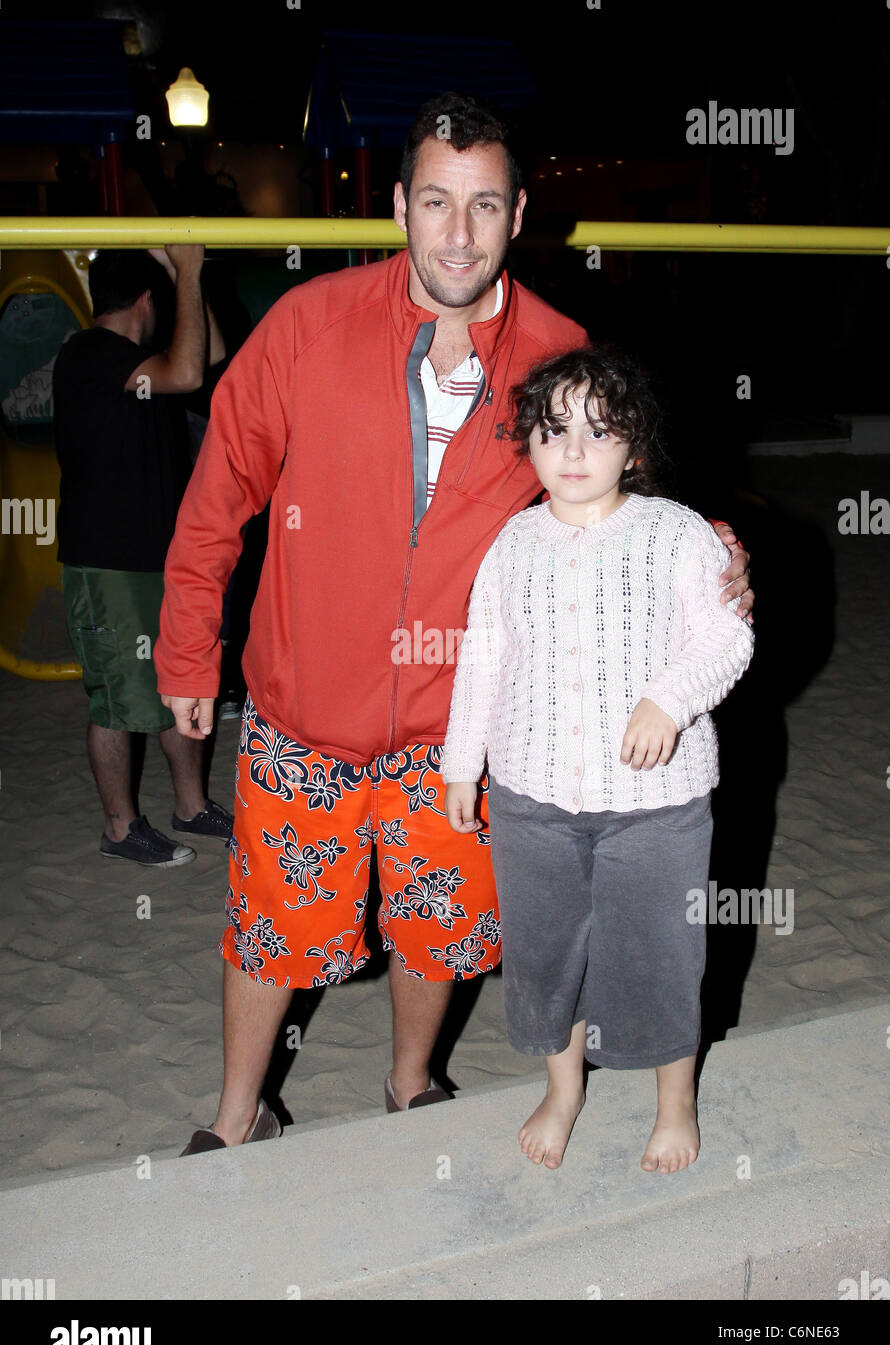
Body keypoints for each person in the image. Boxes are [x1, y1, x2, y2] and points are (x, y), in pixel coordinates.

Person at [153, 94, 753, 1156]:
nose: (459, 233)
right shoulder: (306, 327)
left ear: (517, 213)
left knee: (439, 929)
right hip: (303, 714)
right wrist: (190, 642)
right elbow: (217, 498)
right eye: (436, 202)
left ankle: (408, 1082)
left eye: (483, 205)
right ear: (398, 207)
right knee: (268, 934)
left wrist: (713, 548)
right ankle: (236, 1114)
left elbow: (620, 491)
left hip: (461, 732)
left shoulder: (558, 351)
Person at [441, 345, 755, 1173]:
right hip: (531, 798)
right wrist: (460, 765)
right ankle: (563, 1085)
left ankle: (674, 1098)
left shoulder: (676, 532)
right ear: (529, 443)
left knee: (660, 950)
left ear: (634, 443)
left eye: (597, 431)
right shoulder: (513, 542)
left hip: (657, 803)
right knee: (546, 950)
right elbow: (484, 655)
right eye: (552, 432)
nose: (572, 452)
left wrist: (670, 698)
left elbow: (727, 633)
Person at [53, 246, 233, 866]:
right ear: (146, 301)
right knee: (117, 699)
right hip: (108, 564)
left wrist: (192, 275)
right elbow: (186, 373)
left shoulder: (131, 360)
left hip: (156, 559)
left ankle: (191, 806)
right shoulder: (89, 354)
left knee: (174, 684)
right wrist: (183, 270)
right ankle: (121, 828)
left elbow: (206, 357)